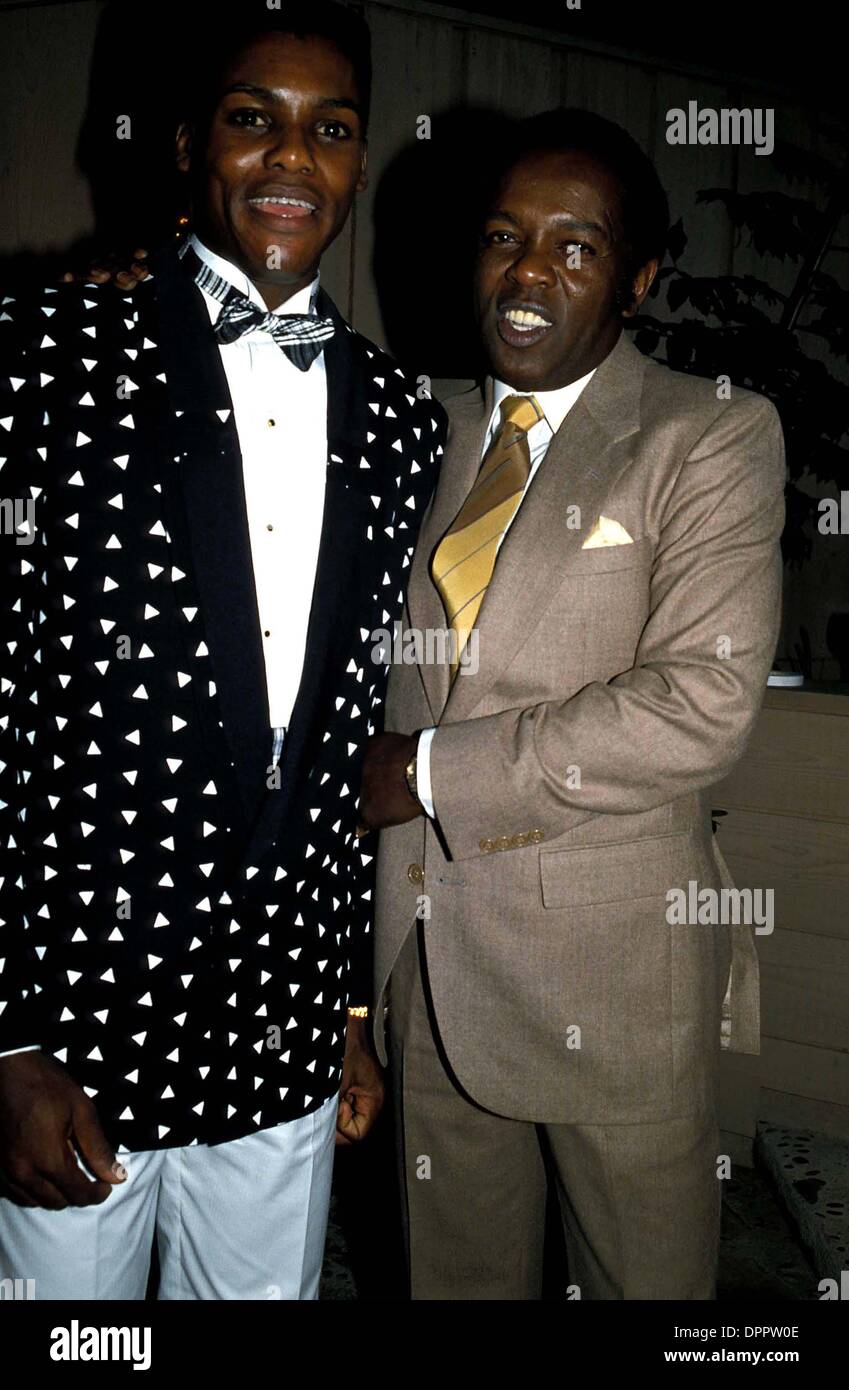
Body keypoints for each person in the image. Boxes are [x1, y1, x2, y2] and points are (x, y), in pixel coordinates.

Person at [0, 2, 444, 1300]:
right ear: (193, 142)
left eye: (333, 129)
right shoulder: (48, 354)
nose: (293, 159)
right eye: (256, 120)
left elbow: (349, 722)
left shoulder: (399, 415)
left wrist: (349, 1012)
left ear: (361, 160)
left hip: (279, 1014)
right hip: (76, 1008)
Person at [359, 108, 785, 1300]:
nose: (530, 271)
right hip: (431, 963)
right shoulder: (414, 422)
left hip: (612, 974)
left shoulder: (707, 435)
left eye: (577, 246)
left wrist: (433, 772)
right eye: (504, 236)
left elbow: (700, 700)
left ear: (641, 275)